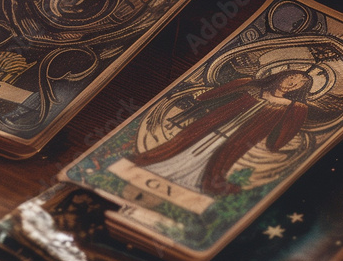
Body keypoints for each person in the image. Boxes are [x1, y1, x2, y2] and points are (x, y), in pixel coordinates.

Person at [132, 67, 312, 196]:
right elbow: (216, 95)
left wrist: (276, 143)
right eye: (291, 77)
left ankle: (202, 182)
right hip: (215, 124)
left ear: (300, 89)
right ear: (282, 76)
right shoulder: (252, 86)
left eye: (298, 83)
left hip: (243, 137)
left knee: (223, 155)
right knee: (190, 141)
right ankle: (158, 163)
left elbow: (287, 130)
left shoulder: (293, 106)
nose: (292, 83)